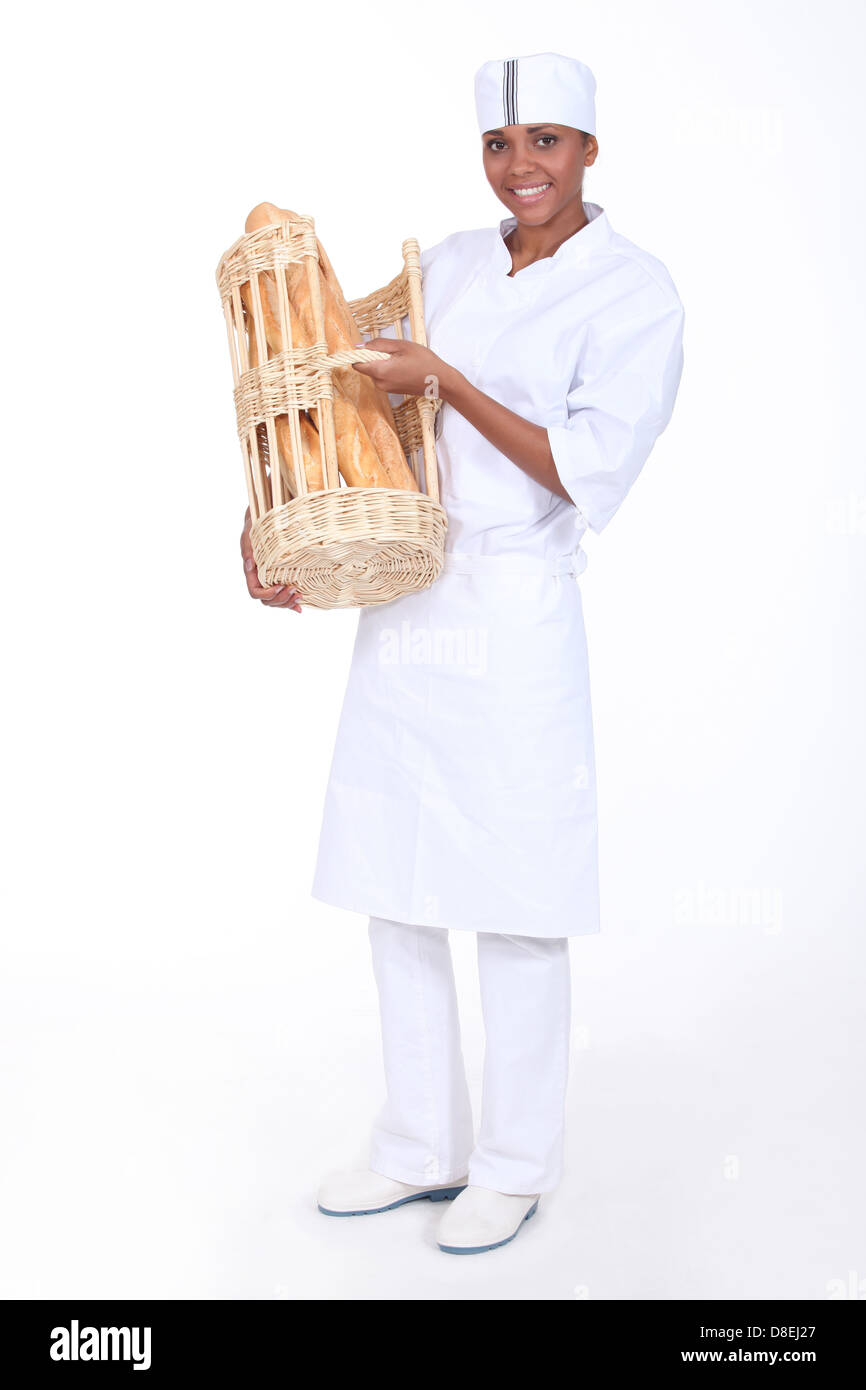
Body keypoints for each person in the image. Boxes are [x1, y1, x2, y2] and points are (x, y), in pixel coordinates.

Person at [240, 52, 685, 1255]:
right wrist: (271, 509)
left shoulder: (632, 294)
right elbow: (354, 403)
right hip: (410, 593)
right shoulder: (441, 262)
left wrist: (446, 375)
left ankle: (515, 1161)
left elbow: (580, 467)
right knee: (397, 881)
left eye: (544, 141)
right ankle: (415, 1147)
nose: (519, 167)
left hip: (517, 607)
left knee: (515, 895)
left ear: (589, 149)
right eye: (499, 145)